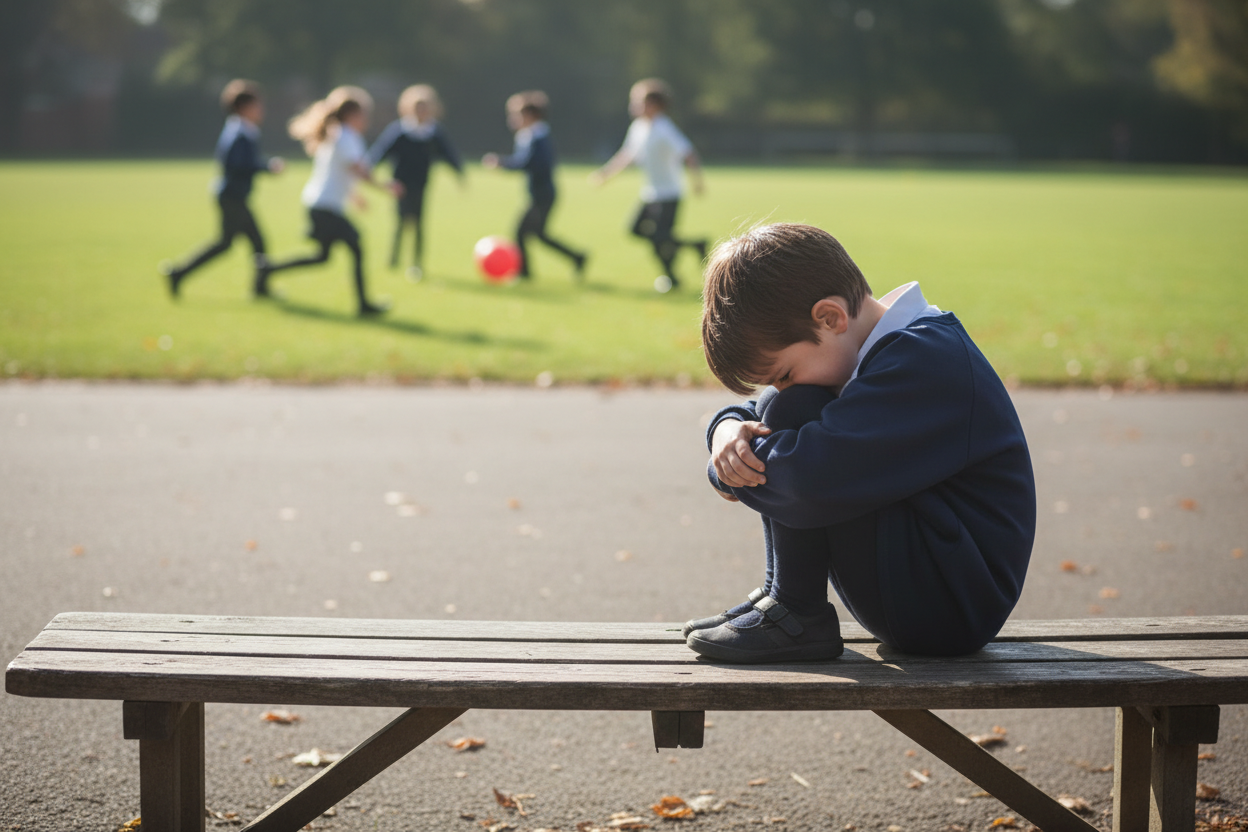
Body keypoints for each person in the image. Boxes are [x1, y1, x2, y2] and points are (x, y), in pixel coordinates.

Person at [688, 223, 1036, 663]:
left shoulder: (925, 362)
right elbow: (766, 412)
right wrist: (726, 429)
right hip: (921, 579)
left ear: (830, 318)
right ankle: (787, 603)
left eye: (785, 371)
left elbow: (811, 479)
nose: (781, 386)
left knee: (795, 413)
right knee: (792, 408)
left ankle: (795, 612)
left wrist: (731, 470)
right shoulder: (883, 347)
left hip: (946, 607)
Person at [259, 86, 396, 317]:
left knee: (321, 257)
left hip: (321, 204)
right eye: (364, 114)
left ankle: (268, 267)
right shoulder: (345, 137)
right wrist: (386, 187)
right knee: (355, 244)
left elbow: (342, 173)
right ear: (353, 115)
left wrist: (355, 196)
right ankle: (363, 305)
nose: (367, 120)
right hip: (325, 207)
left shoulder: (340, 135)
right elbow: (358, 170)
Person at [161, 79, 284, 298]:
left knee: (226, 244)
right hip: (232, 197)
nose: (261, 110)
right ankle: (260, 288)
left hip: (231, 195)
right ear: (245, 108)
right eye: (258, 105)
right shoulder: (240, 132)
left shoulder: (242, 130)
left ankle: (179, 272)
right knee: (257, 241)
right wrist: (266, 166)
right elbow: (237, 163)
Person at [591, 78, 707, 294]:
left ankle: (672, 278)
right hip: (651, 194)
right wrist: (605, 174)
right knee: (636, 231)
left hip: (669, 194)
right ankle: (694, 246)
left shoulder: (664, 128)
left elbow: (689, 154)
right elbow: (627, 155)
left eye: (637, 101)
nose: (632, 106)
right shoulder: (638, 127)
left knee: (659, 239)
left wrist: (697, 183)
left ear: (654, 104)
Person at [482, 91, 587, 280]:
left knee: (520, 232)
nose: (512, 119)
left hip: (542, 195)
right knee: (539, 234)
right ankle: (577, 257)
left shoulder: (538, 138)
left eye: (516, 115)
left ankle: (524, 273)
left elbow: (528, 163)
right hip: (539, 194)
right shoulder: (530, 136)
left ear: (529, 116)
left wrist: (501, 163)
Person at [366, 84, 464, 280]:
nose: (422, 111)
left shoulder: (433, 132)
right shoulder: (400, 131)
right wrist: (367, 168)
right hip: (400, 184)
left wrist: (459, 172)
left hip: (422, 184)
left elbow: (448, 153)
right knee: (401, 221)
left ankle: (417, 263)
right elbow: (380, 152)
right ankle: (394, 258)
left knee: (419, 223)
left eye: (425, 106)